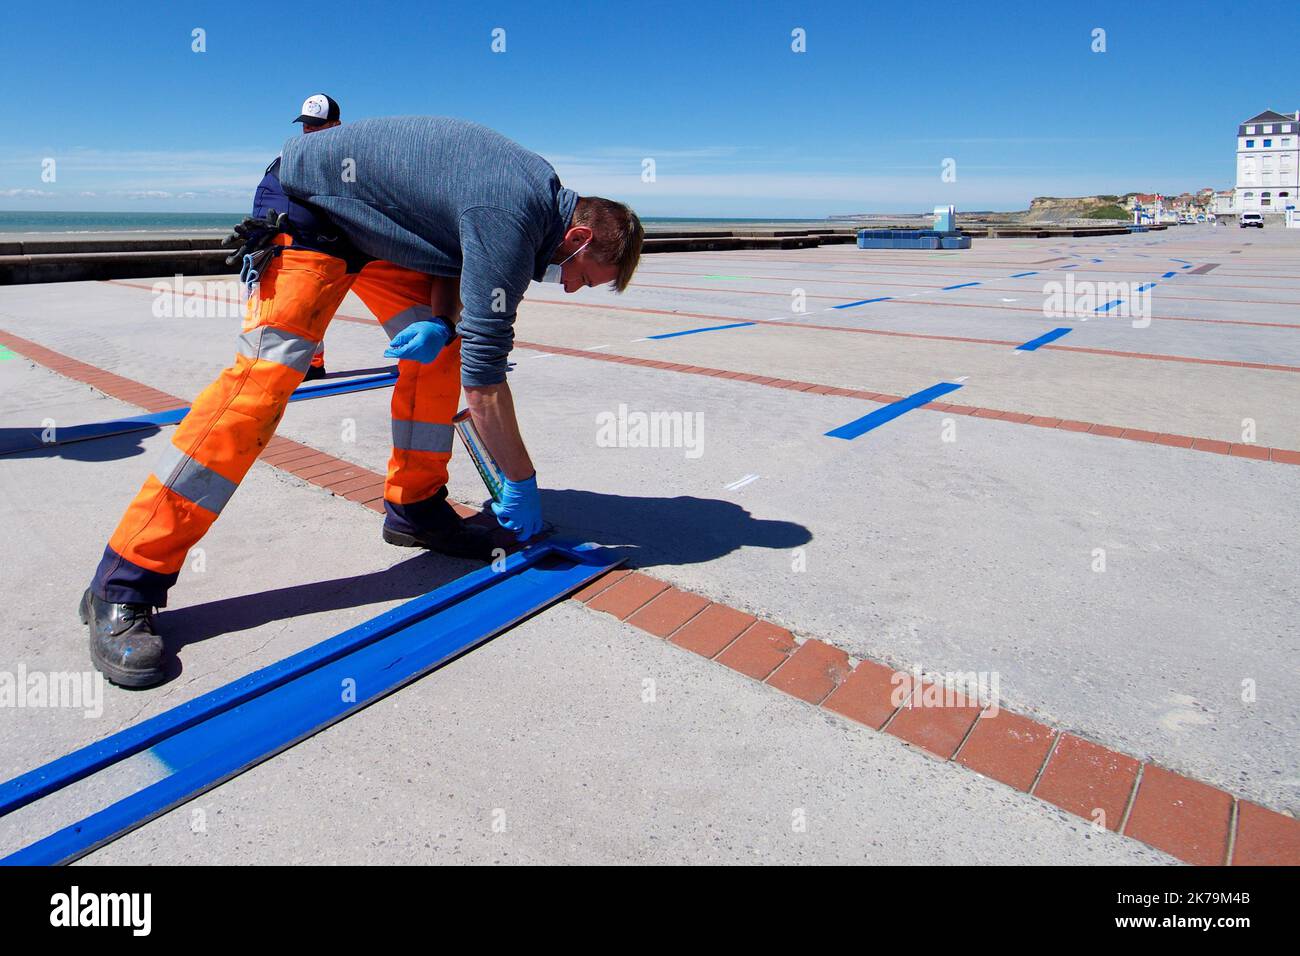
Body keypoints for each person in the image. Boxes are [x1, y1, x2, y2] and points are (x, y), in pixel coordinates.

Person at [80, 116, 643, 687]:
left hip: (375, 229)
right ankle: (126, 579)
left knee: (441, 354)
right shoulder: (514, 216)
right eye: (582, 276)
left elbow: (450, 258)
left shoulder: (532, 202)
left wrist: (442, 325)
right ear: (579, 239)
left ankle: (416, 508)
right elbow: (486, 382)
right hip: (310, 211)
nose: (570, 287)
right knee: (260, 386)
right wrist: (521, 482)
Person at [293, 93, 342, 378]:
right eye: (305, 124)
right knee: (310, 308)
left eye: (315, 124)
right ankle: (314, 364)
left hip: (362, 248)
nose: (308, 129)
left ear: (335, 125)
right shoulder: (292, 158)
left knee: (405, 308)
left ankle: (430, 361)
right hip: (321, 249)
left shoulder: (350, 159)